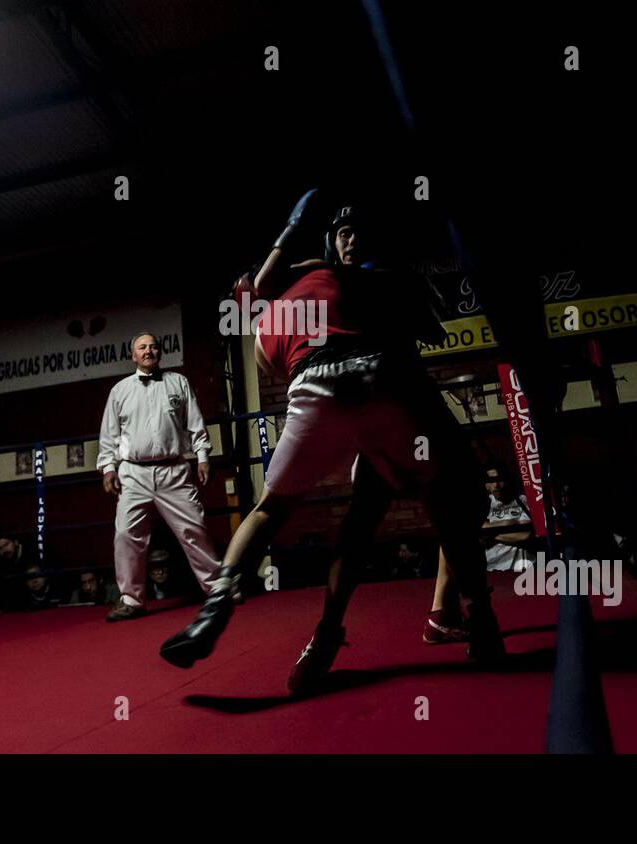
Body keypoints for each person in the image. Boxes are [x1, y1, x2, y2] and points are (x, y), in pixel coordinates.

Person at [159, 190, 506, 692]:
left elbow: (259, 296)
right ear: (330, 240)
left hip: (358, 393)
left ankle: (235, 608)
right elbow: (263, 288)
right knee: (402, 511)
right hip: (382, 393)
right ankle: (455, 622)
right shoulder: (329, 274)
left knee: (306, 509)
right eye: (344, 232)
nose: (352, 239)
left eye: (358, 232)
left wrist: (287, 241)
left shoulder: (366, 276)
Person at [97, 332, 223, 621]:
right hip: (133, 472)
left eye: (153, 346)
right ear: (133, 355)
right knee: (126, 534)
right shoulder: (119, 390)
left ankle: (218, 589)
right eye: (142, 347)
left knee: (194, 530)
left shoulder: (179, 382)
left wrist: (202, 456)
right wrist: (108, 468)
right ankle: (130, 598)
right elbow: (109, 435)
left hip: (174, 469)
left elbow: (195, 422)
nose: (149, 350)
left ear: (160, 353)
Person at [425, 463, 534, 645]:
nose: (496, 486)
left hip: (519, 573)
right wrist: (506, 527)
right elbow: (468, 528)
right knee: (451, 533)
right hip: (490, 572)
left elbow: (526, 534)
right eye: (491, 481)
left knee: (451, 533)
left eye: (499, 480)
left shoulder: (522, 499)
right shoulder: (482, 504)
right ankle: (448, 614)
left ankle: (444, 613)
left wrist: (489, 531)